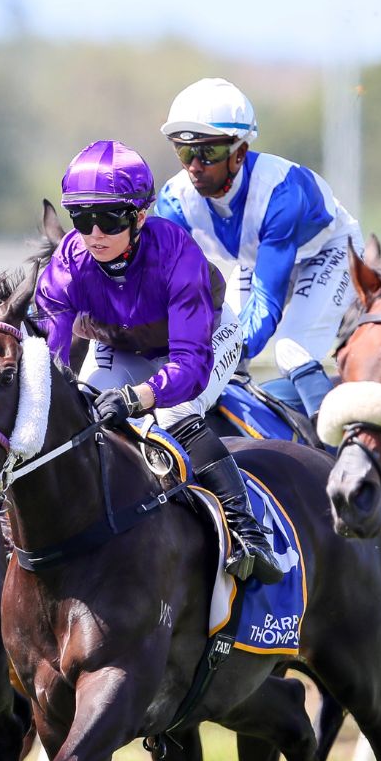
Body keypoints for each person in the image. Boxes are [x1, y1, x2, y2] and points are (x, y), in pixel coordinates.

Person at [35, 139, 283, 584]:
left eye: (109, 219)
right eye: (82, 218)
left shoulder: (176, 254)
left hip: (197, 339)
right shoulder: (66, 265)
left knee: (174, 413)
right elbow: (52, 362)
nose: (94, 234)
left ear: (140, 216)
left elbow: (189, 367)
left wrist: (136, 398)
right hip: (119, 340)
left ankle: (248, 531)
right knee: (84, 414)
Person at [153, 78, 361, 420]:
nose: (194, 166)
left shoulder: (280, 193)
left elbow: (268, 304)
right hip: (258, 258)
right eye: (184, 150)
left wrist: (217, 350)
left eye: (209, 152)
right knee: (223, 339)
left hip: (328, 253)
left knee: (290, 349)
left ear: (240, 153)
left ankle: (337, 442)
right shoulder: (175, 200)